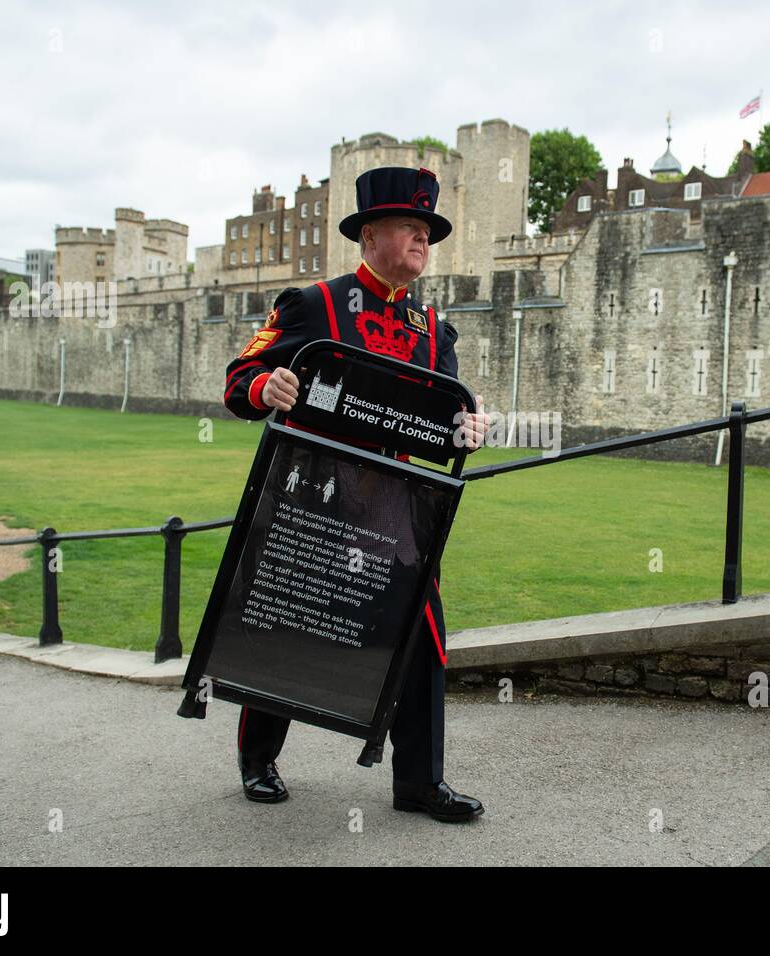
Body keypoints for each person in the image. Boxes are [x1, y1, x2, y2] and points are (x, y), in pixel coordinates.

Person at [222, 166, 489, 822]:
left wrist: (470, 424)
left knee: (424, 639)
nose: (423, 240)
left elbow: (445, 418)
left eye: (428, 230)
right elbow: (238, 379)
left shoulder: (434, 332)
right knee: (286, 626)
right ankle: (259, 760)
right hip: (314, 503)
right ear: (371, 236)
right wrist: (267, 388)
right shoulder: (313, 304)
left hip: (396, 512)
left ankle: (420, 783)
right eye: (410, 227)